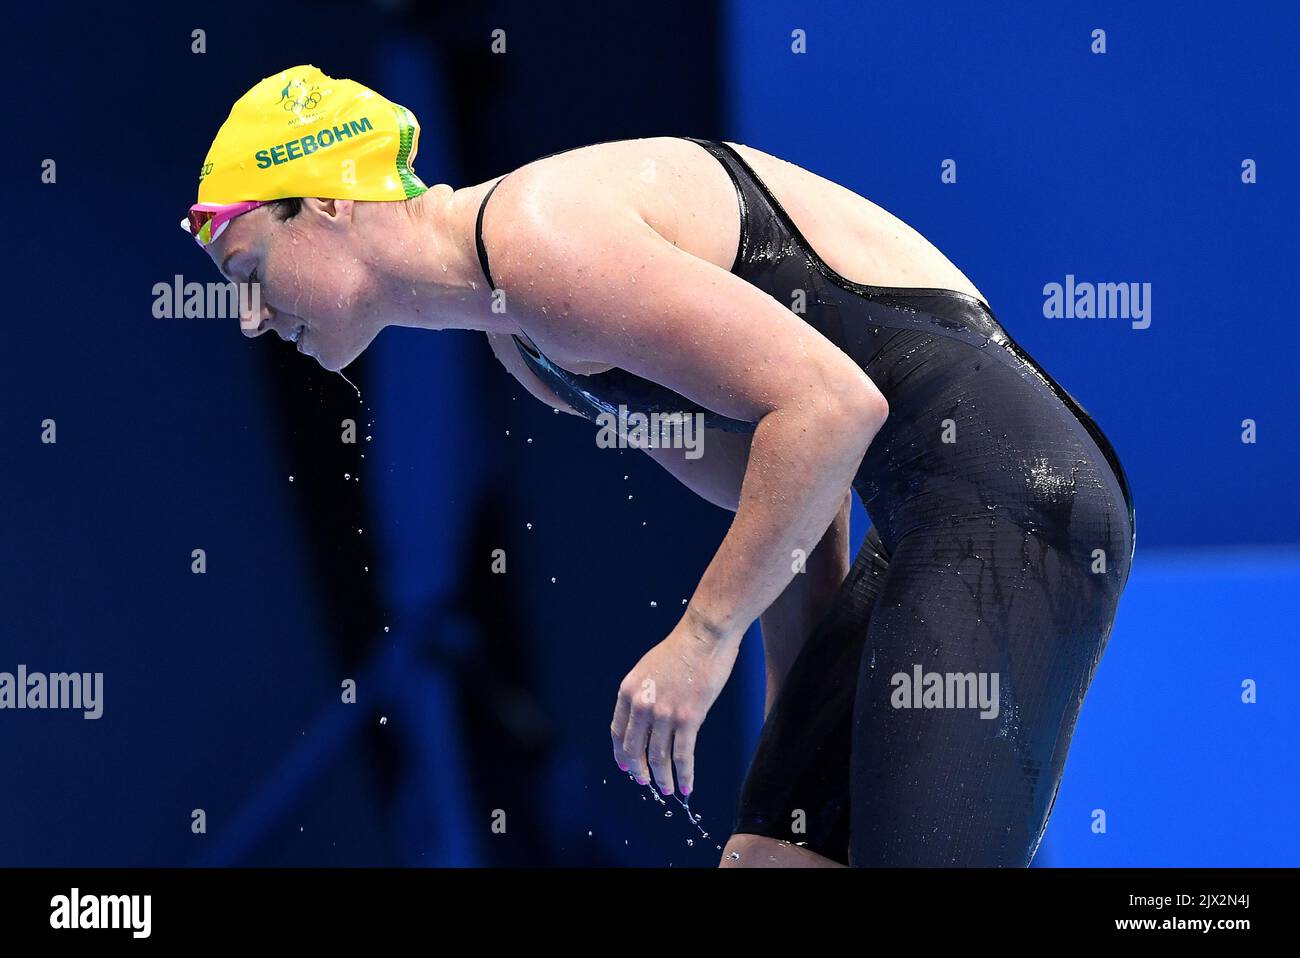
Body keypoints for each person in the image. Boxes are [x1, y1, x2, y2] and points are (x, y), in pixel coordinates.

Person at [185, 65, 1135, 867]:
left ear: (326, 203)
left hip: (1012, 506)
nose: (251, 320)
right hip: (929, 522)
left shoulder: (542, 243)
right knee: (770, 858)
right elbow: (796, 494)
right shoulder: (527, 343)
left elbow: (833, 409)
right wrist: (797, 733)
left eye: (247, 272)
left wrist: (702, 636)